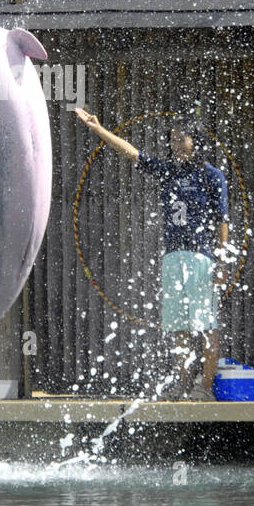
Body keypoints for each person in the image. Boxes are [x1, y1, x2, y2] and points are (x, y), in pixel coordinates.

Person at [74, 109, 231, 399]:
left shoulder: (212, 175)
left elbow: (223, 221)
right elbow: (132, 153)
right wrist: (99, 130)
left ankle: (205, 387)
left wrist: (221, 262)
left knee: (207, 325)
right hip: (173, 258)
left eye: (180, 139)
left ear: (195, 142)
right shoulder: (168, 170)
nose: (175, 145)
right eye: (172, 140)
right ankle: (185, 383)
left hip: (200, 258)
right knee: (178, 327)